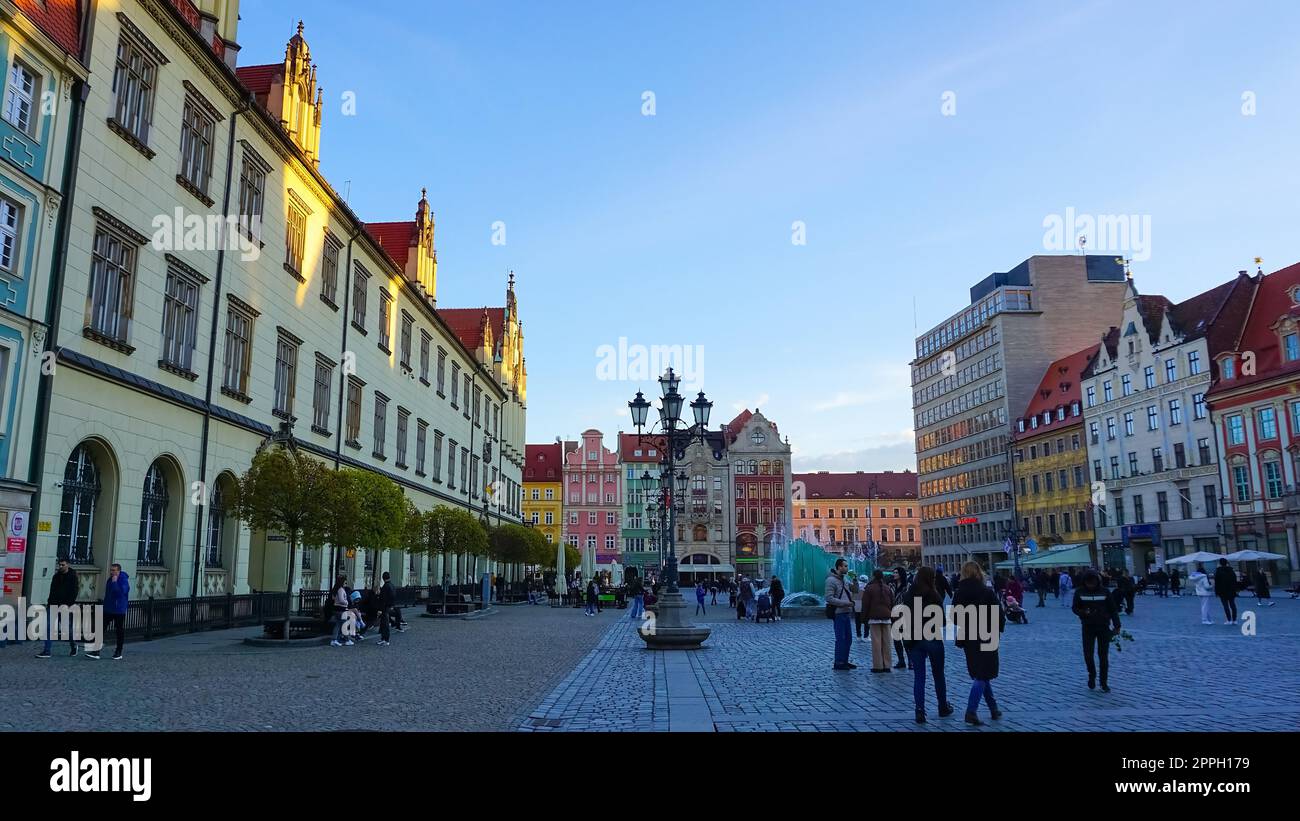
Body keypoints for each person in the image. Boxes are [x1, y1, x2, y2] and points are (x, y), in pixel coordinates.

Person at [951, 561, 1005, 726]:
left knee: (981, 672)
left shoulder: (959, 593)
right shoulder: (986, 592)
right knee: (983, 673)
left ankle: (993, 708)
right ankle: (971, 711)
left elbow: (954, 616)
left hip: (968, 637)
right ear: (979, 573)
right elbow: (998, 614)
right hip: (986, 635)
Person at [900, 567, 953, 723]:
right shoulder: (934, 595)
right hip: (932, 638)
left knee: (919, 677)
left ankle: (920, 711)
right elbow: (942, 622)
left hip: (915, 639)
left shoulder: (908, 595)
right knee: (938, 675)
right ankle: (943, 706)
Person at [1072, 570, 1121, 692]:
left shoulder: (1105, 592)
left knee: (1103, 656)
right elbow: (1075, 608)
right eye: (1089, 583)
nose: (1091, 586)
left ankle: (1104, 682)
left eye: (1093, 583)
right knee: (1088, 654)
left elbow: (1113, 609)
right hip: (1088, 626)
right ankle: (1092, 675)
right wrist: (1083, 612)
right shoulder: (1079, 592)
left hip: (1103, 626)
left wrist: (1117, 625)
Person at [37, 558, 79, 659]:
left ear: (67, 565)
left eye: (62, 565)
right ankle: (47, 651)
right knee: (48, 627)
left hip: (65, 606)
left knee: (66, 629)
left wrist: (68, 605)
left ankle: (73, 645)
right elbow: (52, 590)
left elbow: (74, 592)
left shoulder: (73, 577)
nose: (60, 566)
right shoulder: (56, 576)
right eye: (59, 565)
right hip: (53, 604)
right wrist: (49, 602)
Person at [86, 563, 129, 660]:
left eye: (114, 570)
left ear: (119, 571)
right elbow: (108, 594)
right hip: (108, 608)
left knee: (119, 631)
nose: (112, 572)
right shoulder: (110, 579)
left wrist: (115, 583)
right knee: (100, 629)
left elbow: (119, 593)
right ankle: (96, 651)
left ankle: (118, 651)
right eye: (111, 570)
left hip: (119, 610)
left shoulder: (123, 580)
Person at [861, 570, 894, 673]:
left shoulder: (869, 588)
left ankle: (878, 666)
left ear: (873, 576)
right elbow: (892, 603)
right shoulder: (887, 588)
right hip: (887, 616)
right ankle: (887, 665)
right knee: (887, 642)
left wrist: (863, 618)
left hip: (874, 617)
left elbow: (865, 604)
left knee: (876, 642)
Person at [825, 559, 855, 670]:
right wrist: (846, 603)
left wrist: (855, 579)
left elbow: (855, 589)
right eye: (845, 566)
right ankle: (838, 662)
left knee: (848, 639)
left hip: (846, 612)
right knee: (840, 638)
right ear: (839, 567)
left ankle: (845, 661)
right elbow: (829, 598)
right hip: (838, 613)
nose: (847, 568)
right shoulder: (831, 580)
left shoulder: (845, 579)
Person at [890, 569, 910, 670]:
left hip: (904, 614)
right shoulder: (891, 586)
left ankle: (911, 661)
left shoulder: (908, 586)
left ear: (901, 574)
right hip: (893, 615)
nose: (894, 574)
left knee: (906, 639)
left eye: (896, 572)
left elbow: (909, 600)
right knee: (896, 639)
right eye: (894, 572)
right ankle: (901, 660)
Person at [328, 574, 353, 646]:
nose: (346, 584)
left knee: (338, 624)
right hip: (341, 609)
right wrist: (347, 602)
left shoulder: (337, 589)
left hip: (337, 609)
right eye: (345, 582)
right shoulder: (341, 590)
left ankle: (334, 639)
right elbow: (342, 599)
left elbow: (334, 599)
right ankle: (346, 640)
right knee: (344, 625)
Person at [1213, 558, 1238, 624]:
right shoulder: (1231, 570)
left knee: (1226, 606)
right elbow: (1235, 581)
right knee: (1232, 605)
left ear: (1220, 563)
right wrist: (1236, 589)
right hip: (1231, 591)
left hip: (1222, 591)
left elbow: (1217, 583)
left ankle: (1229, 620)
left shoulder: (1218, 571)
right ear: (1226, 563)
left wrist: (1217, 592)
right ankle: (1234, 620)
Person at [377, 572, 396, 646]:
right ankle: (384, 639)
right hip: (389, 606)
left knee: (385, 624)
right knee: (384, 623)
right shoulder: (392, 585)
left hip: (384, 608)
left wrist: (380, 610)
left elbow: (383, 600)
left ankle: (385, 639)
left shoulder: (385, 587)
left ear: (383, 578)